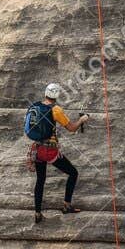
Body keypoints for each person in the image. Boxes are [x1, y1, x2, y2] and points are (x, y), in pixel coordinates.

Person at [24, 82, 89, 223]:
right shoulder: (56, 110)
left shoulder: (34, 106)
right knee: (73, 172)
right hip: (50, 151)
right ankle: (67, 205)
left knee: (40, 180)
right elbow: (71, 128)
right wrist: (82, 120)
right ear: (57, 95)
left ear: (45, 93)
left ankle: (37, 213)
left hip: (37, 149)